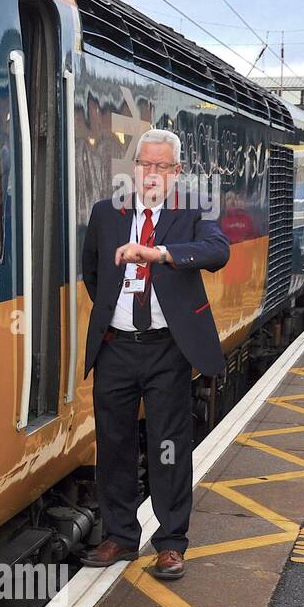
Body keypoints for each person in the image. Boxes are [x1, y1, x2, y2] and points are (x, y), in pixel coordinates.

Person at [79, 128, 231, 582]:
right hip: (117, 349)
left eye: (163, 167)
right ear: (135, 168)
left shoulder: (191, 215)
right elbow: (93, 271)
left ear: (177, 172)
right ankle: (120, 536)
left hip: (167, 348)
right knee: (115, 445)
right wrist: (115, 319)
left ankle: (170, 542)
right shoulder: (107, 214)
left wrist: (158, 253)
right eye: (146, 164)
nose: (152, 174)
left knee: (168, 447)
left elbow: (217, 251)